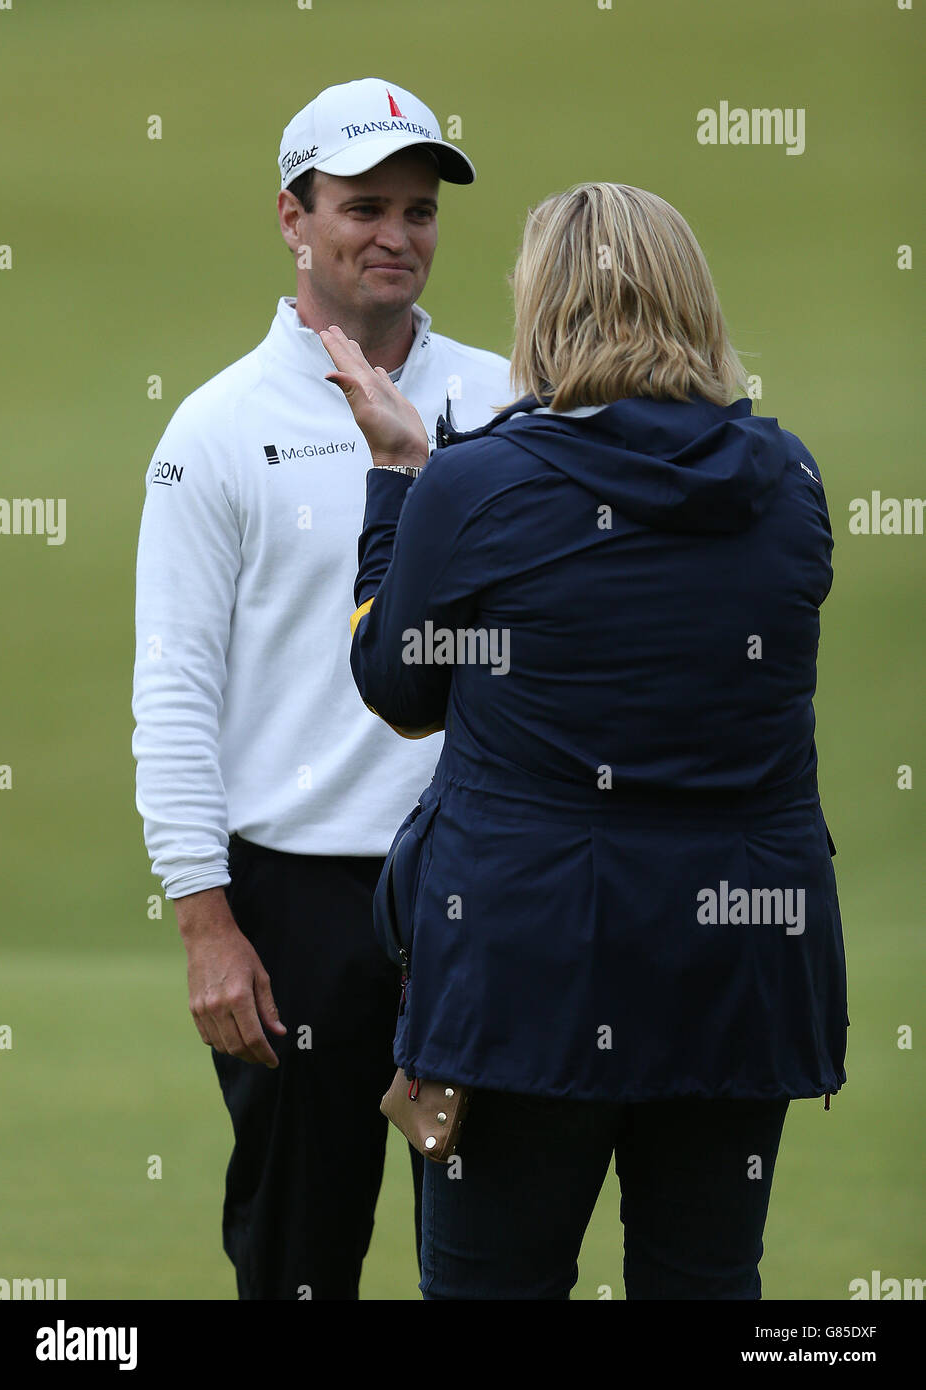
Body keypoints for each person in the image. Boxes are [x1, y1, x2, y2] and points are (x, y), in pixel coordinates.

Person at [320, 182, 849, 1300]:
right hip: (739, 965)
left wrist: (397, 486)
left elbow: (397, 686)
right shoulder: (789, 483)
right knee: (706, 1282)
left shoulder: (475, 483)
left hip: (527, 970)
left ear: (545, 309)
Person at [131, 77, 512, 1300]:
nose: (395, 234)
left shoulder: (509, 402)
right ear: (293, 218)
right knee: (299, 1254)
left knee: (497, 1249)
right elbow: (175, 688)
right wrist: (206, 922)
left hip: (483, 879)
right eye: (361, 207)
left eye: (417, 209)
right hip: (297, 902)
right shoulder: (217, 427)